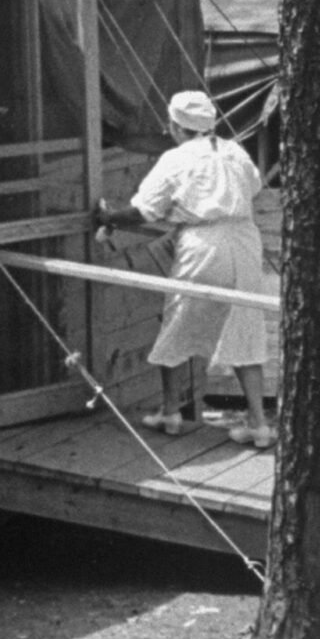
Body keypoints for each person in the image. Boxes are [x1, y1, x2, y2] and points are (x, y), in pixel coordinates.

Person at [94, 90, 273, 447]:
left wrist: (109, 217)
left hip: (204, 244)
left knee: (180, 317)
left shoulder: (176, 159)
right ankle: (258, 423)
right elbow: (252, 187)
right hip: (244, 239)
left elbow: (145, 210)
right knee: (244, 324)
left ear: (177, 126)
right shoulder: (234, 150)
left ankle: (171, 411)